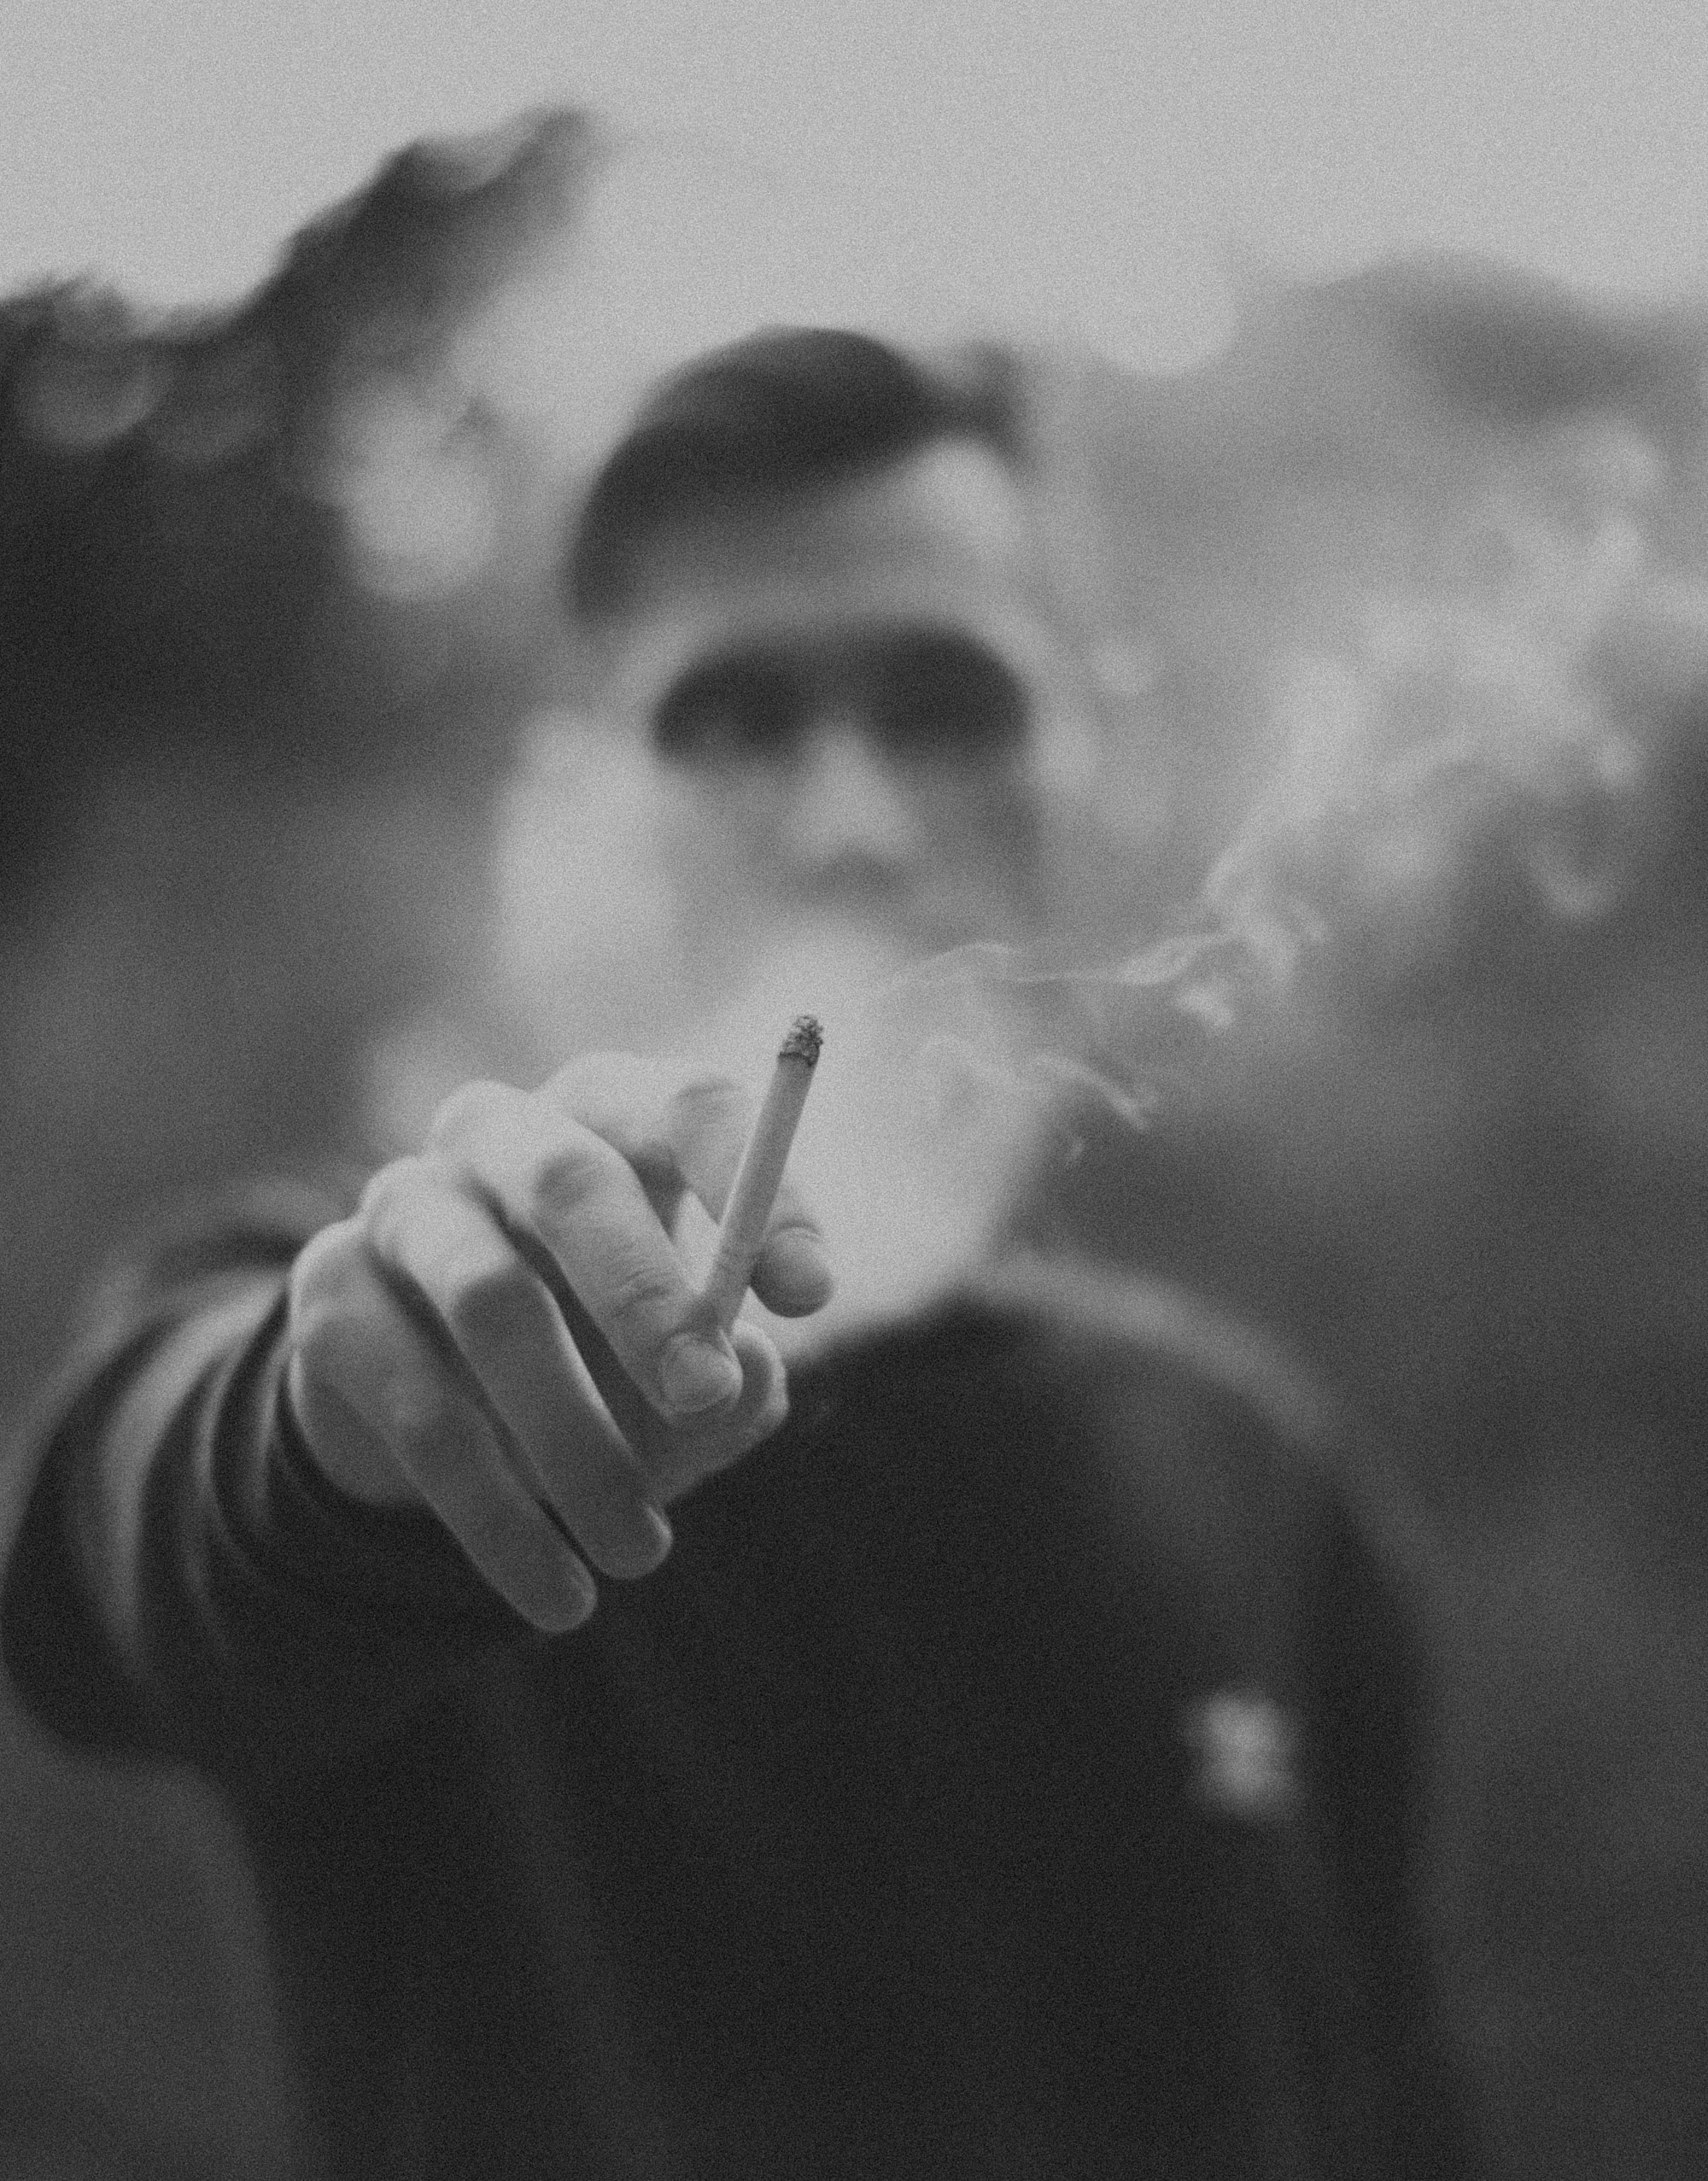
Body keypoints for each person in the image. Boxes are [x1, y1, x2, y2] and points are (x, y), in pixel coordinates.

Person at [2, 329, 1480, 2178]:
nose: (849, 819)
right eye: (732, 716)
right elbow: (131, 1546)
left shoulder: (1266, 1481)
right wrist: (341, 1434)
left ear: (1094, 743)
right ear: (582, 790)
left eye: (944, 702)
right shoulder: (397, 1306)